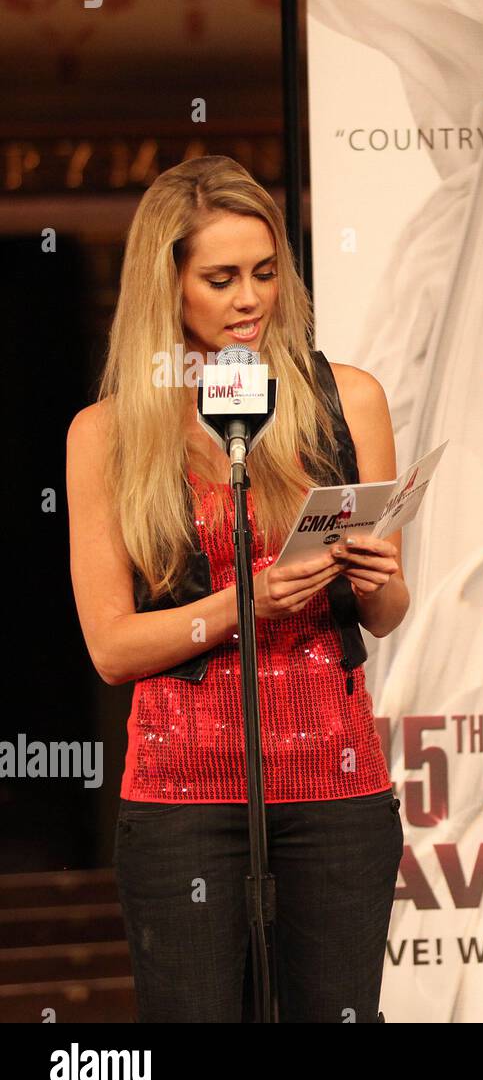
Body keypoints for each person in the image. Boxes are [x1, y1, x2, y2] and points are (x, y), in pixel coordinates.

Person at [65, 155, 410, 1022]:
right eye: (220, 279)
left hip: (336, 793)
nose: (249, 299)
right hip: (182, 801)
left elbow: (387, 614)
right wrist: (241, 605)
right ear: (167, 285)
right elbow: (111, 649)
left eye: (264, 273)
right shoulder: (105, 436)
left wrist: (380, 582)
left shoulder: (348, 399)